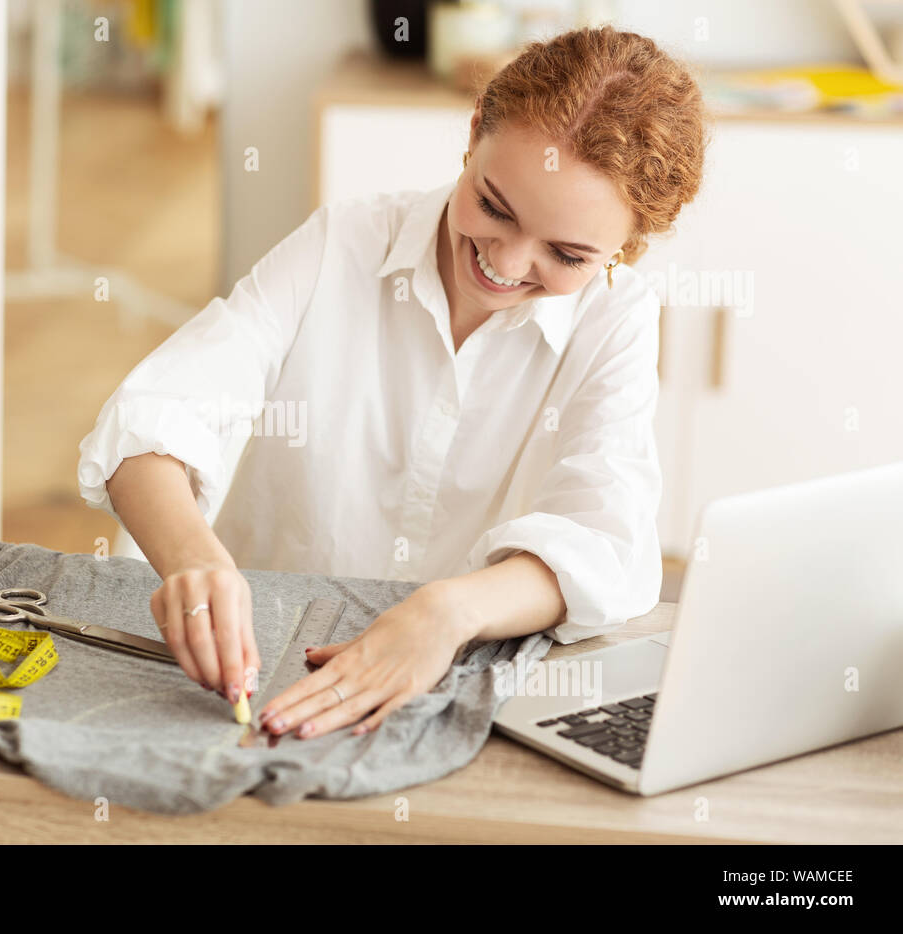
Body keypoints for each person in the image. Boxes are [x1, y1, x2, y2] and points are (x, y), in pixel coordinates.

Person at [77, 25, 707, 742]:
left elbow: (608, 542)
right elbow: (153, 415)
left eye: (565, 253)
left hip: (455, 687)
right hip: (258, 669)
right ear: (472, 135)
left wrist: (445, 614)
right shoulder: (342, 242)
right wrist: (193, 561)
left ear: (626, 247)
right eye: (495, 207)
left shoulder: (616, 320)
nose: (506, 261)